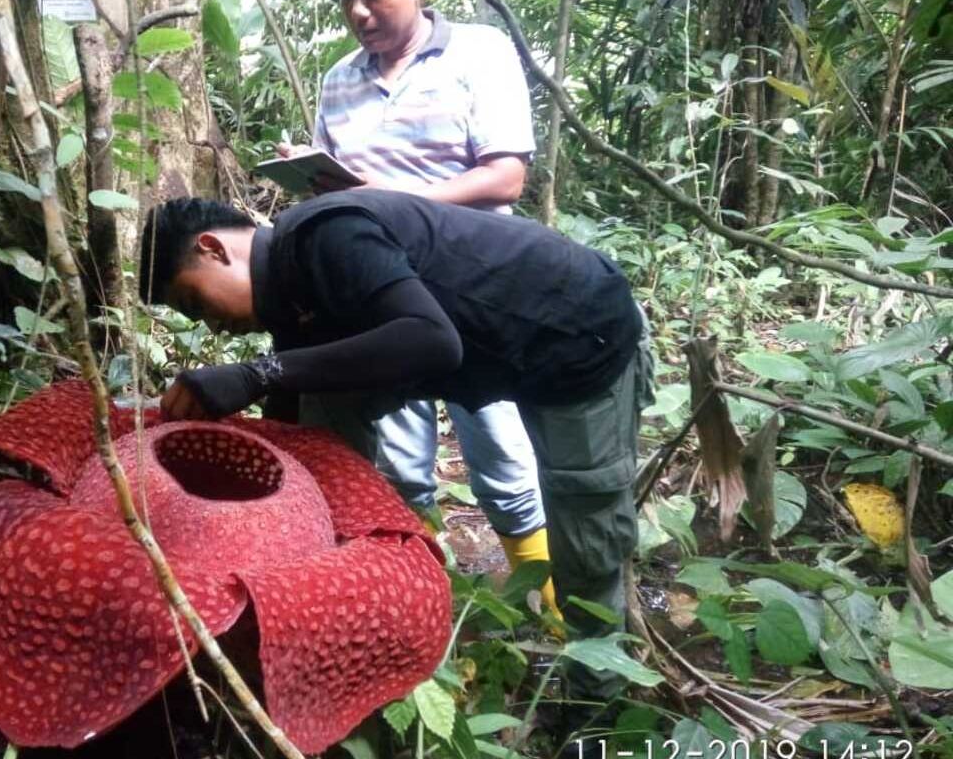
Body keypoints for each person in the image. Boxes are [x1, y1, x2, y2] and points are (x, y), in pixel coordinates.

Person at [138, 190, 651, 746]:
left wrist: (256, 373)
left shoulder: (327, 236)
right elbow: (292, 424)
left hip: (577, 336)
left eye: (193, 303)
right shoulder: (291, 296)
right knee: (313, 444)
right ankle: (343, 623)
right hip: (495, 352)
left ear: (212, 249)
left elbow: (432, 341)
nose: (209, 326)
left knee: (586, 534)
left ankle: (595, 706)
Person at [278, 0, 553, 601]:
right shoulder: (339, 79)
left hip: (473, 283)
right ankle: (426, 597)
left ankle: (548, 601)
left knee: (499, 447)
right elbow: (341, 185)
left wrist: (395, 198)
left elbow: (506, 176)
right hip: (378, 289)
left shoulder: (479, 53)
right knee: (401, 457)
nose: (358, 13)